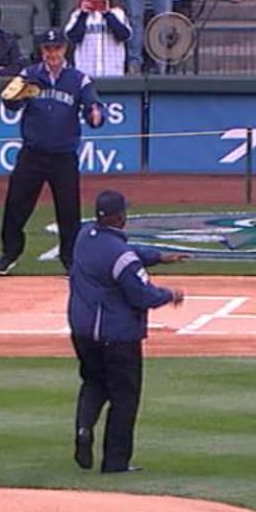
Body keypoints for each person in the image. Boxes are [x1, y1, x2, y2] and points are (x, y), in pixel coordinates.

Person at [68, 189, 186, 474]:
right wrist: (170, 294)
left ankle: (84, 429)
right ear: (119, 217)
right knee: (124, 397)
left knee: (94, 383)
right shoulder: (122, 257)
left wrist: (158, 257)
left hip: (83, 332)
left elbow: (126, 254)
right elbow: (141, 294)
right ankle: (115, 462)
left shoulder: (84, 236)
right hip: (117, 336)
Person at [0, 28, 105, 275]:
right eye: (48, 49)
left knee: (68, 210)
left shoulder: (77, 79)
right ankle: (9, 253)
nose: (52, 53)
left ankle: (70, 258)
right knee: (16, 204)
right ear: (41, 50)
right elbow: (11, 104)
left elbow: (92, 104)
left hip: (63, 155)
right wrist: (16, 95)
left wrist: (95, 113)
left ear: (65, 49)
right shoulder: (30, 74)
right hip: (33, 152)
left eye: (57, 48)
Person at [65, 0, 132, 76]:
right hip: (85, 73)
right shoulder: (77, 14)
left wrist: (107, 14)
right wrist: (83, 15)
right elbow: (73, 38)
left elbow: (124, 35)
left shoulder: (118, 13)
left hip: (113, 72)